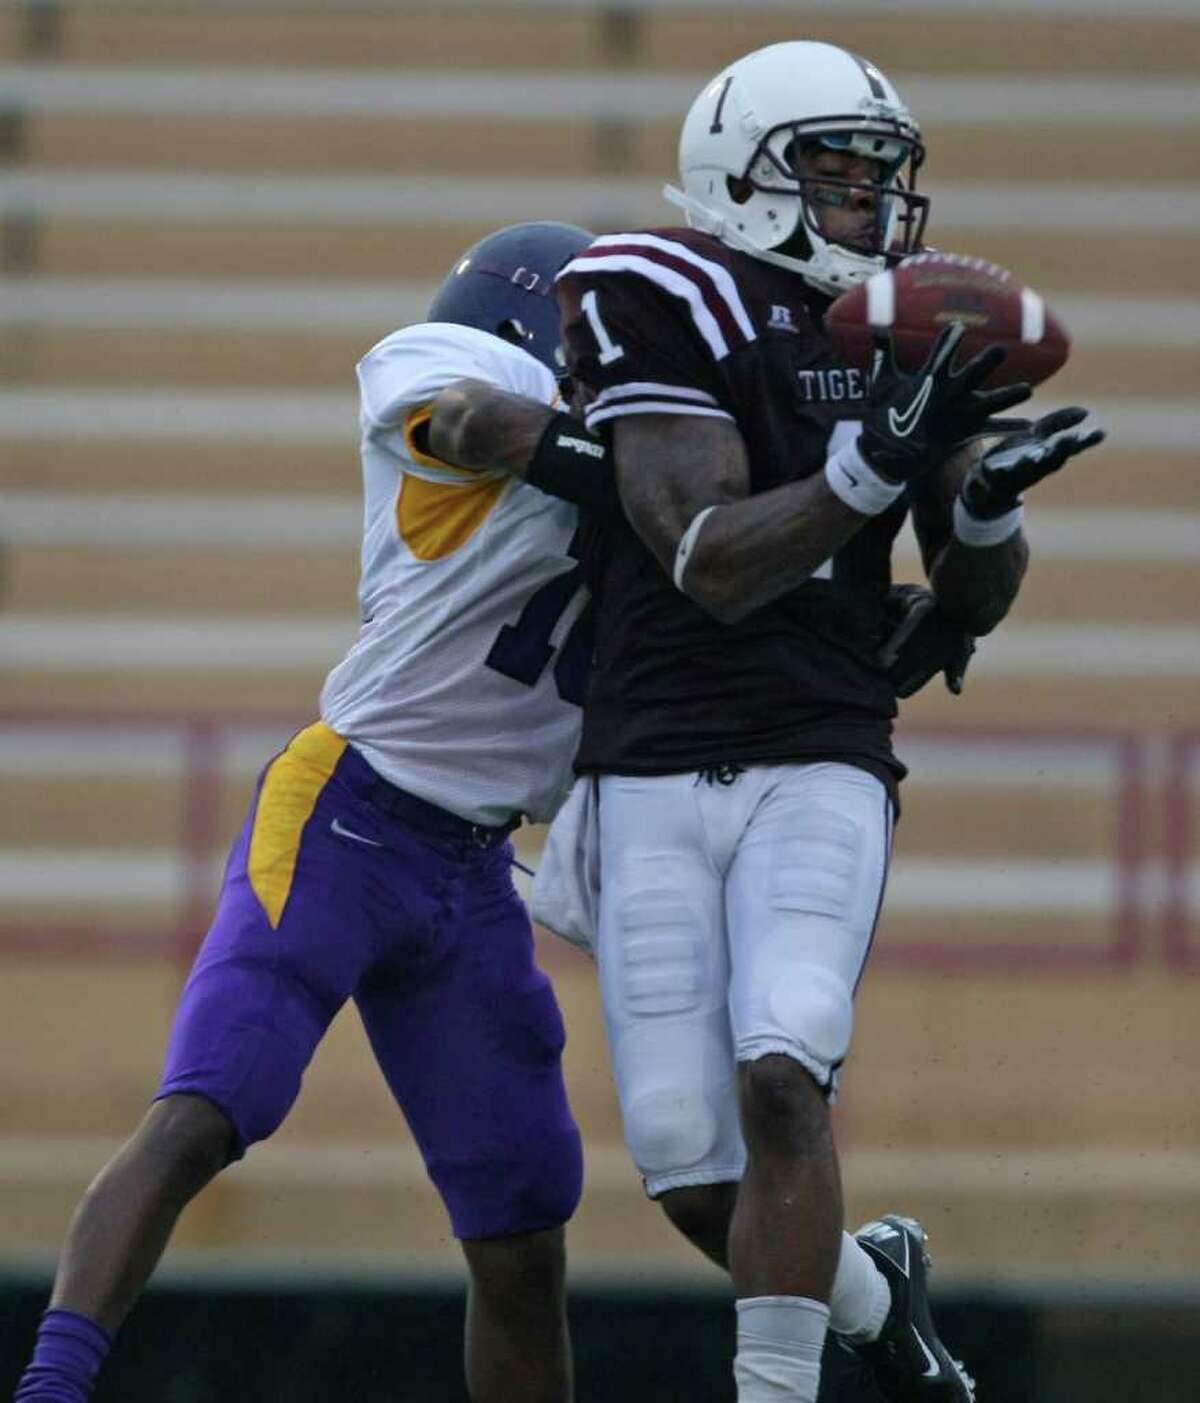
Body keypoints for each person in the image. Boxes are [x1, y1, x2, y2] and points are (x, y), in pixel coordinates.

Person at [541, 39, 1102, 1403]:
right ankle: (876, 1291)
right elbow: (710, 558)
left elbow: (967, 591)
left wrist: (986, 506)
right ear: (743, 175)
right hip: (653, 744)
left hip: (822, 743)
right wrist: (875, 462)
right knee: (688, 1164)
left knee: (785, 1066)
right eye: (842, 173)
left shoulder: (909, 321)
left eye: (883, 177)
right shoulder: (659, 289)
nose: (874, 204)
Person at [13, 221, 602, 1403]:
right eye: (607, 347)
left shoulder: (646, 474)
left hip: (476, 866)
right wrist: (626, 441)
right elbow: (480, 423)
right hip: (348, 814)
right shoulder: (448, 376)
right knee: (207, 1107)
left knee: (524, 1225)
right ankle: (49, 1390)